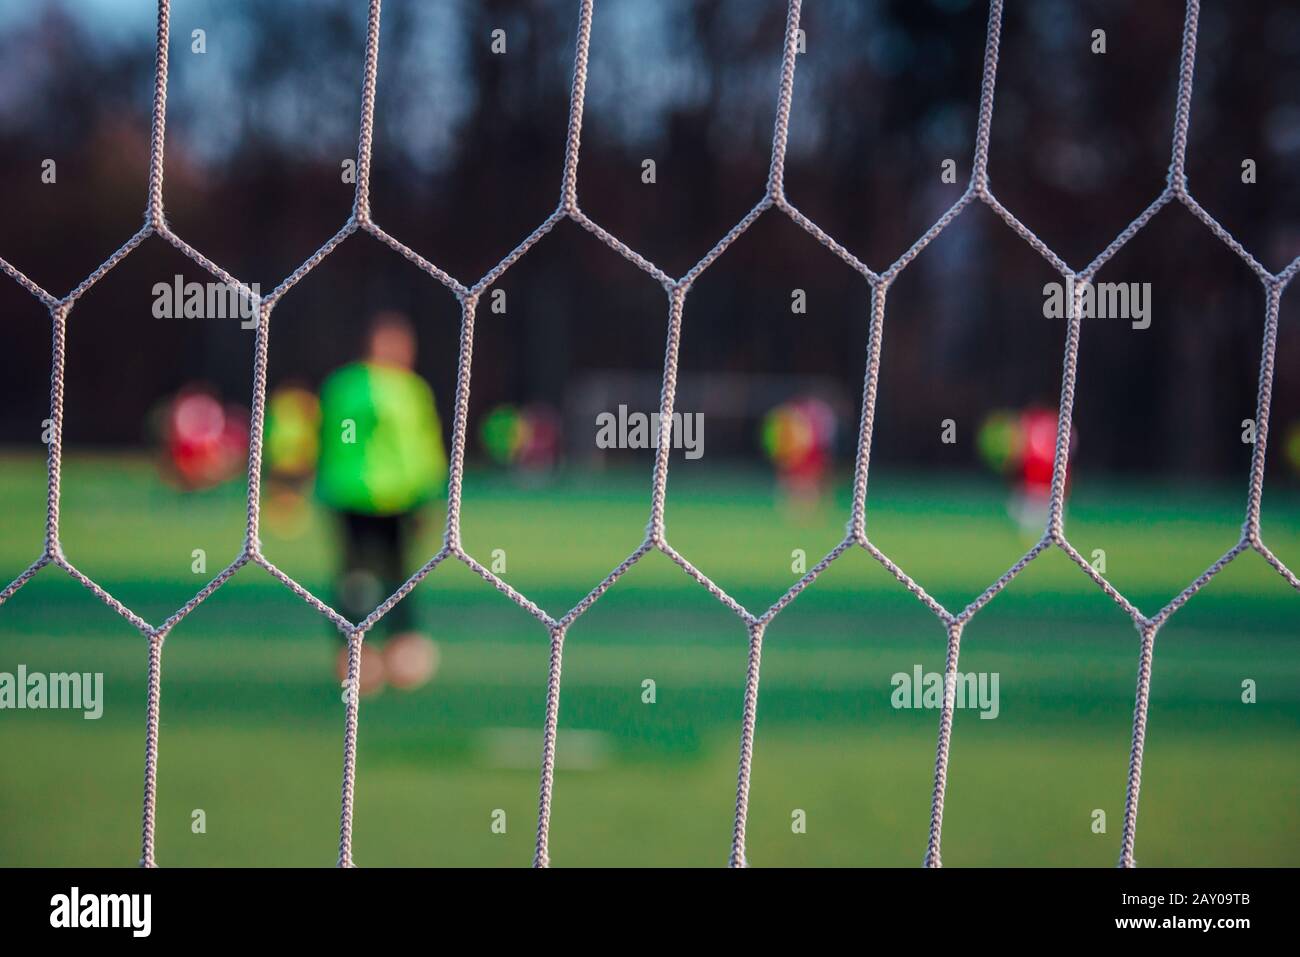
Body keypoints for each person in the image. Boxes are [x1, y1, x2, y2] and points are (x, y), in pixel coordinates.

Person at [315, 310, 446, 695]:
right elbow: (421, 448)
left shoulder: (343, 385)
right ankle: (375, 653)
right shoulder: (405, 390)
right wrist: (430, 493)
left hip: (356, 494)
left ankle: (369, 656)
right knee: (382, 575)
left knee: (368, 575)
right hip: (385, 495)